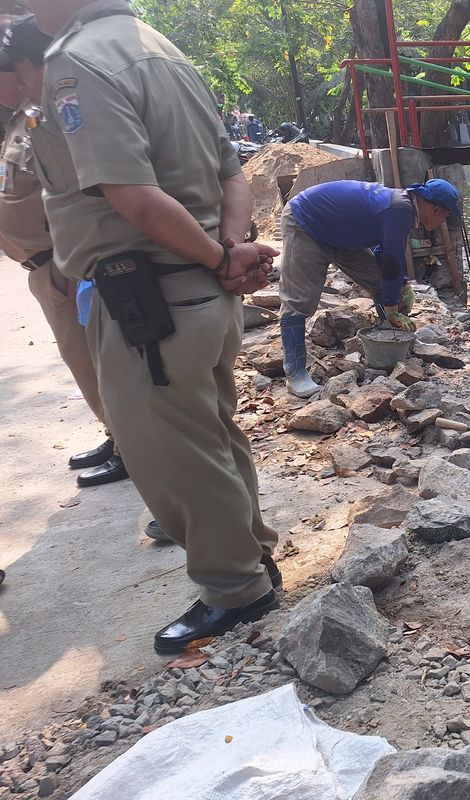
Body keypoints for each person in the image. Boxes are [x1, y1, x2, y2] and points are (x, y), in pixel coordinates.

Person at [27, 0, 282, 653]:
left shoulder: (75, 64)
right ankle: (253, 558)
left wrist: (221, 257)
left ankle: (236, 588)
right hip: (197, 294)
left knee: (173, 453)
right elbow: (232, 174)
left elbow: (133, 197)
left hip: (153, 299)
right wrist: (225, 254)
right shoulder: (160, 48)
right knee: (212, 434)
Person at [0, 15, 125, 487]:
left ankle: (132, 448)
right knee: (82, 363)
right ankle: (117, 436)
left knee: (96, 362)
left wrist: (75, 271)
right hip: (42, 267)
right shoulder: (22, 120)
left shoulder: (48, 119)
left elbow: (75, 194)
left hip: (62, 265)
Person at [277, 177, 461, 397]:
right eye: (445, 216)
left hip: (340, 234)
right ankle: (296, 374)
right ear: (435, 209)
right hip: (307, 223)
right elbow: (393, 259)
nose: (444, 221)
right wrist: (392, 305)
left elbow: (383, 254)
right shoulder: (400, 210)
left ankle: (391, 339)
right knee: (298, 302)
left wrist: (400, 285)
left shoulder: (402, 208)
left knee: (382, 284)